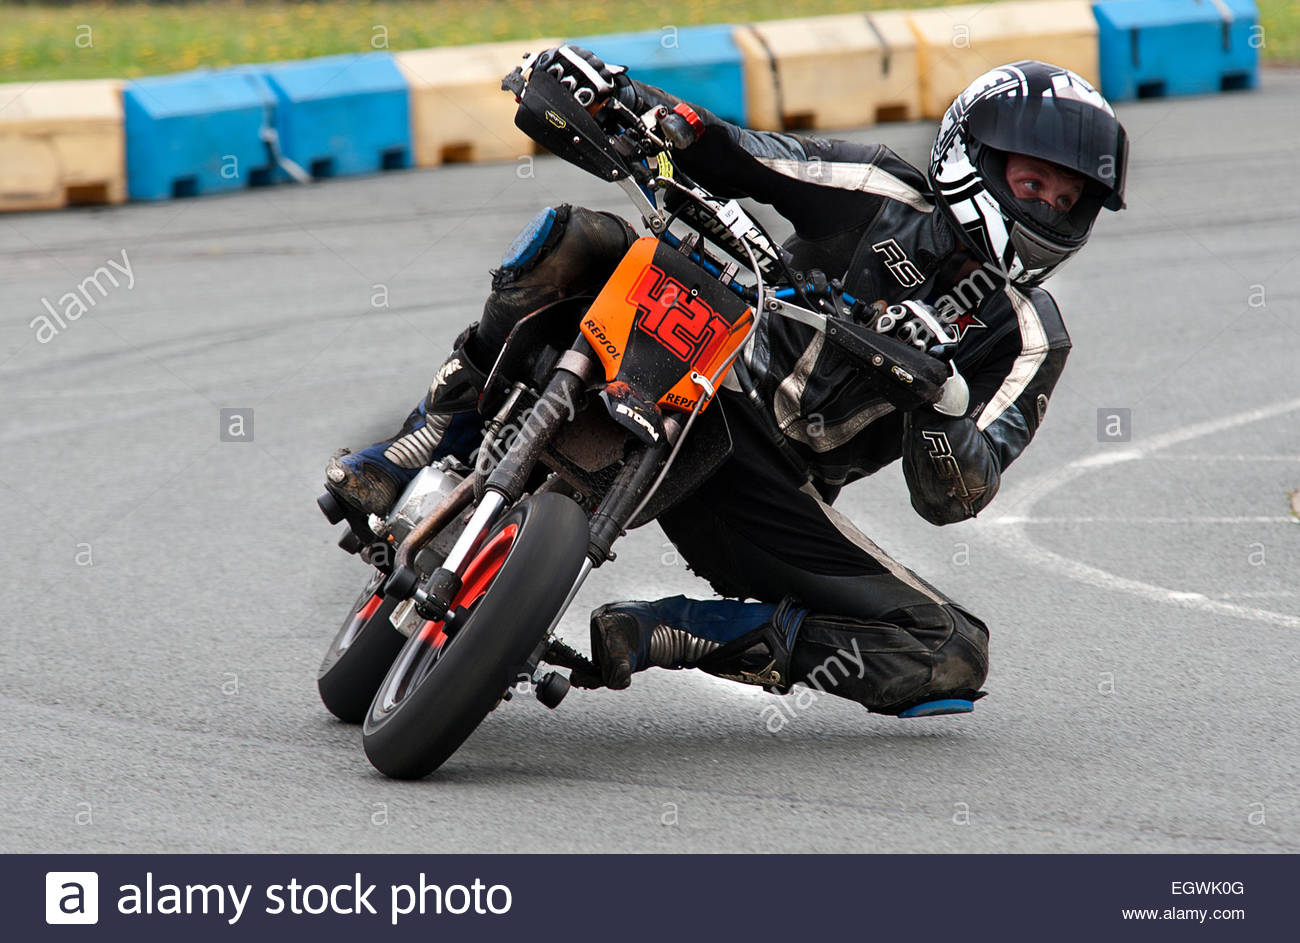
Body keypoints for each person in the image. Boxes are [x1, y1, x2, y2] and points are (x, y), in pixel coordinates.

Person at [322, 49, 1128, 717]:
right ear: (974, 156)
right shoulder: (879, 190)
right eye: (1033, 183)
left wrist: (943, 401)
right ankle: (424, 437)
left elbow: (955, 497)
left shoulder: (1031, 337)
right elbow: (742, 154)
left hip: (770, 487)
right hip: (706, 356)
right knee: (581, 237)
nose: (1049, 207)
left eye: (1067, 198)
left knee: (949, 649)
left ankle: (679, 631)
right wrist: (628, 99)